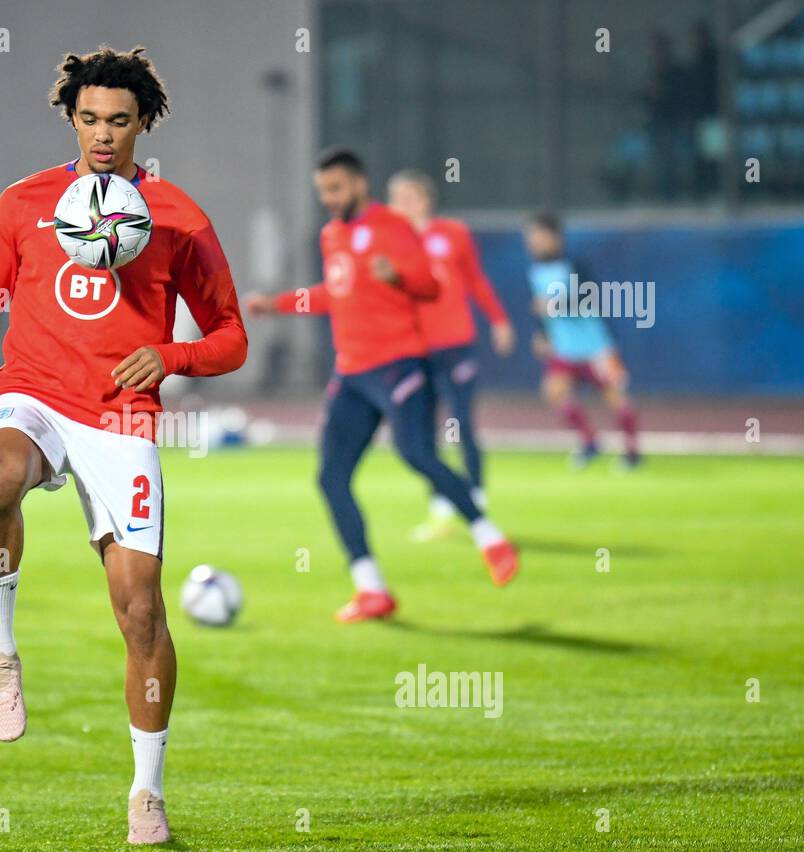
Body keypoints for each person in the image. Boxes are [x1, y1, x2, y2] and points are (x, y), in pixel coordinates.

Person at [0, 46, 248, 845]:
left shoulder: (179, 217)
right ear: (71, 118)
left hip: (123, 418)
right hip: (31, 392)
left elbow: (231, 337)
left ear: (143, 122)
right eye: (89, 119)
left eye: (119, 121)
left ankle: (147, 792)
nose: (102, 135)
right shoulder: (23, 203)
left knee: (141, 613)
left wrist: (172, 355)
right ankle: (1, 651)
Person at [245, 149, 518, 622]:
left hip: (398, 362)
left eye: (335, 189)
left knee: (415, 454)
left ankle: (487, 535)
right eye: (322, 191)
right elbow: (335, 293)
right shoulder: (333, 235)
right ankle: (371, 588)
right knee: (330, 478)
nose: (328, 199)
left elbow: (430, 286)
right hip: (352, 373)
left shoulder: (391, 226)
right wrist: (277, 304)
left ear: (358, 184)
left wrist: (400, 275)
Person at [386, 169, 515, 542]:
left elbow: (475, 280)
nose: (401, 205)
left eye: (408, 197)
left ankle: (477, 502)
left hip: (454, 344)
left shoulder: (452, 234)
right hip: (413, 350)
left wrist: (499, 319)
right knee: (423, 436)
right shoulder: (390, 243)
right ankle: (440, 509)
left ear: (426, 199)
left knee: (462, 424)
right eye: (395, 198)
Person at [523, 212, 641, 470]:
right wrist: (542, 335)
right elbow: (543, 311)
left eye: (538, 236)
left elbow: (591, 297)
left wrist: (557, 304)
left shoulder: (574, 264)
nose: (533, 242)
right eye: (530, 237)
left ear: (554, 237)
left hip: (595, 346)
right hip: (564, 349)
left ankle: (632, 453)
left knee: (615, 397)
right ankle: (590, 442)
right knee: (553, 391)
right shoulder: (535, 271)